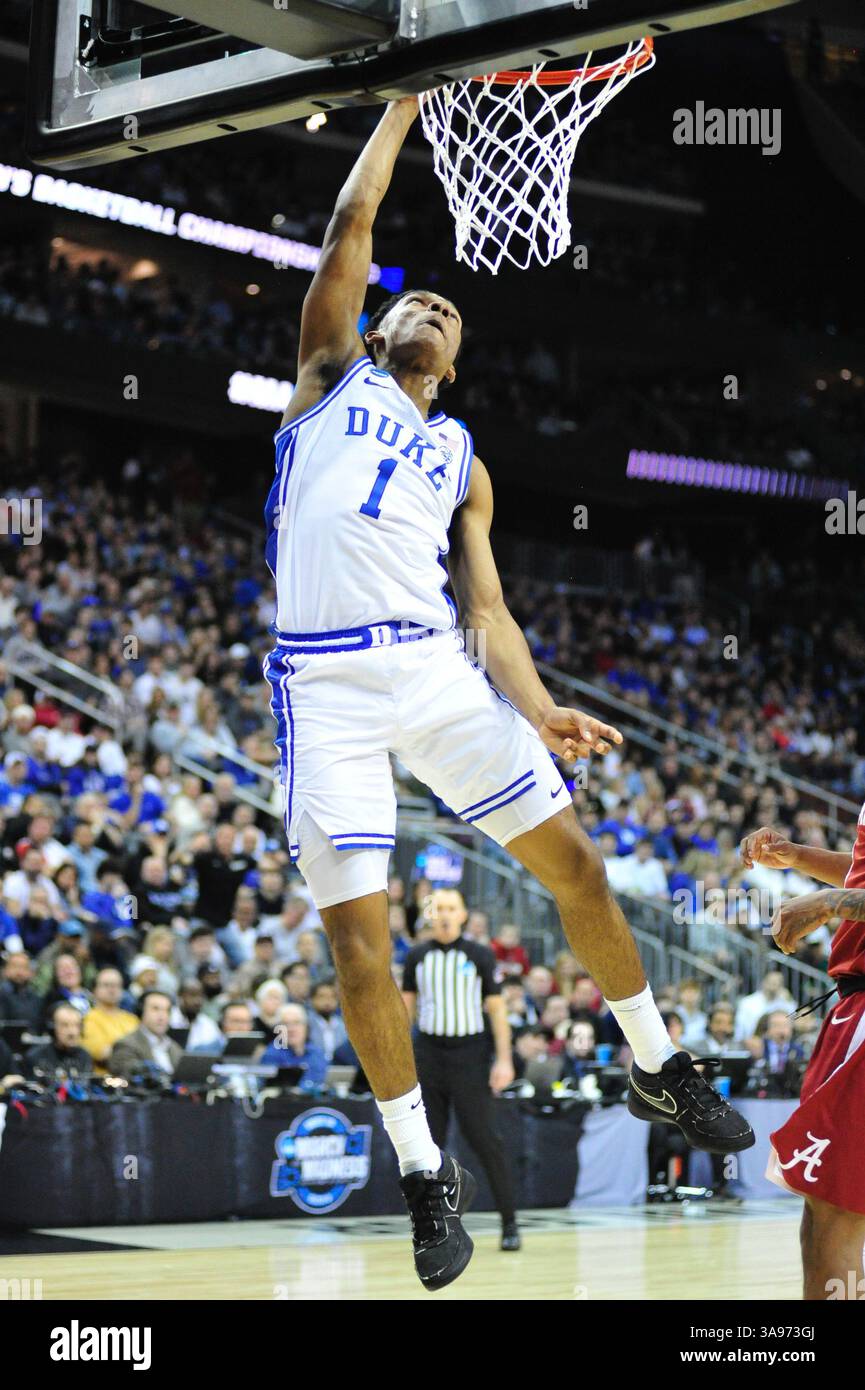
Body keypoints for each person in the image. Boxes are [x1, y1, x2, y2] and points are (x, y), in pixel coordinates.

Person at [262, 97, 753, 1291]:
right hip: (324, 684)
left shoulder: (463, 459)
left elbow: (486, 611)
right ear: (380, 331)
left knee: (577, 863)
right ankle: (426, 1175)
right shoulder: (328, 380)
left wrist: (535, 708)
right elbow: (351, 223)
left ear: (459, 357)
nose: (431, 308)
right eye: (415, 301)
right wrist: (403, 101)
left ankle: (656, 1061)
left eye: (451, 310)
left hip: (434, 668)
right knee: (359, 947)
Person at [741, 821, 865, 1299]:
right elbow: (860, 874)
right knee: (822, 1212)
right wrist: (798, 858)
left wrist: (828, 903)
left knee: (836, 1212)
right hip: (850, 1007)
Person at [401, 888, 520, 1251]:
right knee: (427, 1146)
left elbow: (497, 1011)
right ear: (429, 915)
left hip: (470, 1055)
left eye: (452, 907)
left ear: (464, 914)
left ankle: (509, 1222)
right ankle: (433, 1229)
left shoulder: (481, 955)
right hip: (429, 1055)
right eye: (438, 908)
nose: (445, 914)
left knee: (485, 1140)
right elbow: (406, 1012)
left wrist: (504, 1059)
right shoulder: (417, 956)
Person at [107, 991, 183, 1080]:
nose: (162, 1016)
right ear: (141, 1012)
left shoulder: (175, 1048)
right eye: (155, 1009)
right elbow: (128, 1076)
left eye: (167, 1010)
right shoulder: (126, 1045)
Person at [81, 967, 139, 1071]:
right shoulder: (88, 1019)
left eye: (116, 985)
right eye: (106, 985)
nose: (112, 989)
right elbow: (101, 1054)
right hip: (106, 1080)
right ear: (95, 990)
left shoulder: (132, 1019)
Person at [259, 1002, 327, 1087]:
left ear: (306, 1027)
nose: (291, 1029)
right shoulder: (270, 1055)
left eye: (297, 1023)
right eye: (286, 1024)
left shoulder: (317, 1053)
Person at [24, 1003, 92, 1082]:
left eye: (76, 1025)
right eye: (65, 1025)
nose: (72, 1032)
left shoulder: (84, 1056)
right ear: (52, 1027)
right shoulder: (35, 1056)